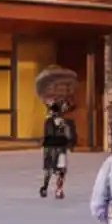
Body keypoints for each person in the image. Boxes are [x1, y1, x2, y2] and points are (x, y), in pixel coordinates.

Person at [37, 66, 79, 199]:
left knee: (59, 169)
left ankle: (57, 189)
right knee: (50, 169)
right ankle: (46, 187)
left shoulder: (62, 119)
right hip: (52, 146)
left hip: (58, 146)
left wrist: (70, 141)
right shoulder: (50, 119)